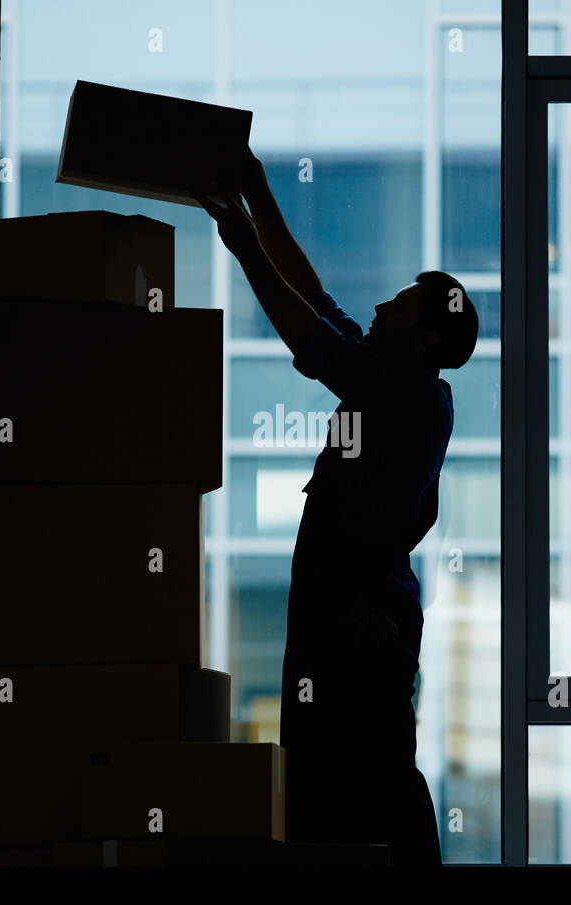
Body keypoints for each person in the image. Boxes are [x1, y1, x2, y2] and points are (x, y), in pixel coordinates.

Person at [198, 148, 478, 866]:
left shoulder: (409, 394)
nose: (381, 305)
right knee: (336, 779)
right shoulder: (393, 381)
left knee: (367, 782)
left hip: (362, 615)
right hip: (348, 607)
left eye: (400, 304)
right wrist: (255, 193)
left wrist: (243, 245)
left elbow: (306, 332)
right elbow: (314, 297)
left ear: (423, 338)